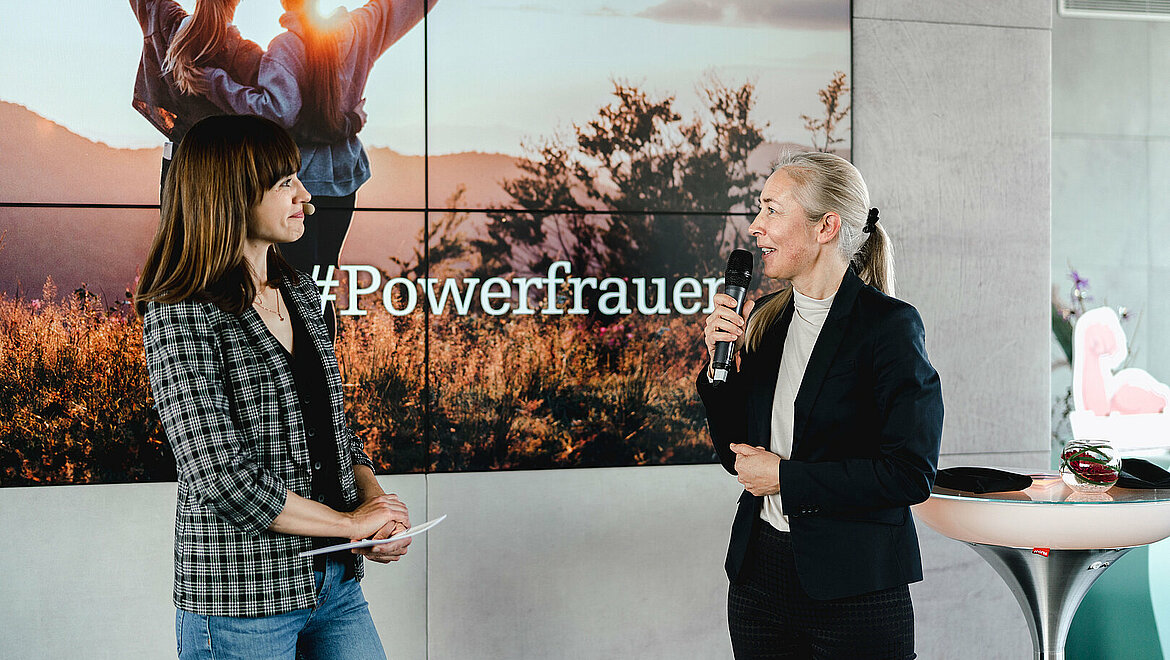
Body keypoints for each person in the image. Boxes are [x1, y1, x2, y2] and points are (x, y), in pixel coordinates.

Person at [135, 114, 410, 659]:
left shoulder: (303, 293)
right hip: (242, 598)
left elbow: (334, 429)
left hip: (333, 584)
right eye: (286, 182)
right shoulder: (180, 314)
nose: (306, 198)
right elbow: (221, 478)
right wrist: (349, 524)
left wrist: (377, 505)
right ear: (233, 192)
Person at [697, 152, 943, 659]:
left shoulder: (889, 327)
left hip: (855, 589)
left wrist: (786, 479)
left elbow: (909, 473)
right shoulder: (766, 319)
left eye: (772, 210)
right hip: (759, 578)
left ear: (825, 226)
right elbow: (737, 456)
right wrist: (715, 366)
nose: (756, 226)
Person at [198, 0, 438, 336]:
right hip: (343, 179)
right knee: (320, 282)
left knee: (295, 284)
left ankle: (303, 375)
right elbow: (402, 7)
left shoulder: (287, 47)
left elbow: (278, 113)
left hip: (297, 184)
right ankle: (325, 372)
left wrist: (217, 84)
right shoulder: (357, 30)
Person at [130, 0, 263, 186]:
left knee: (177, 215)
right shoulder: (246, 55)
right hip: (225, 171)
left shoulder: (169, 23)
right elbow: (277, 112)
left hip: (179, 164)